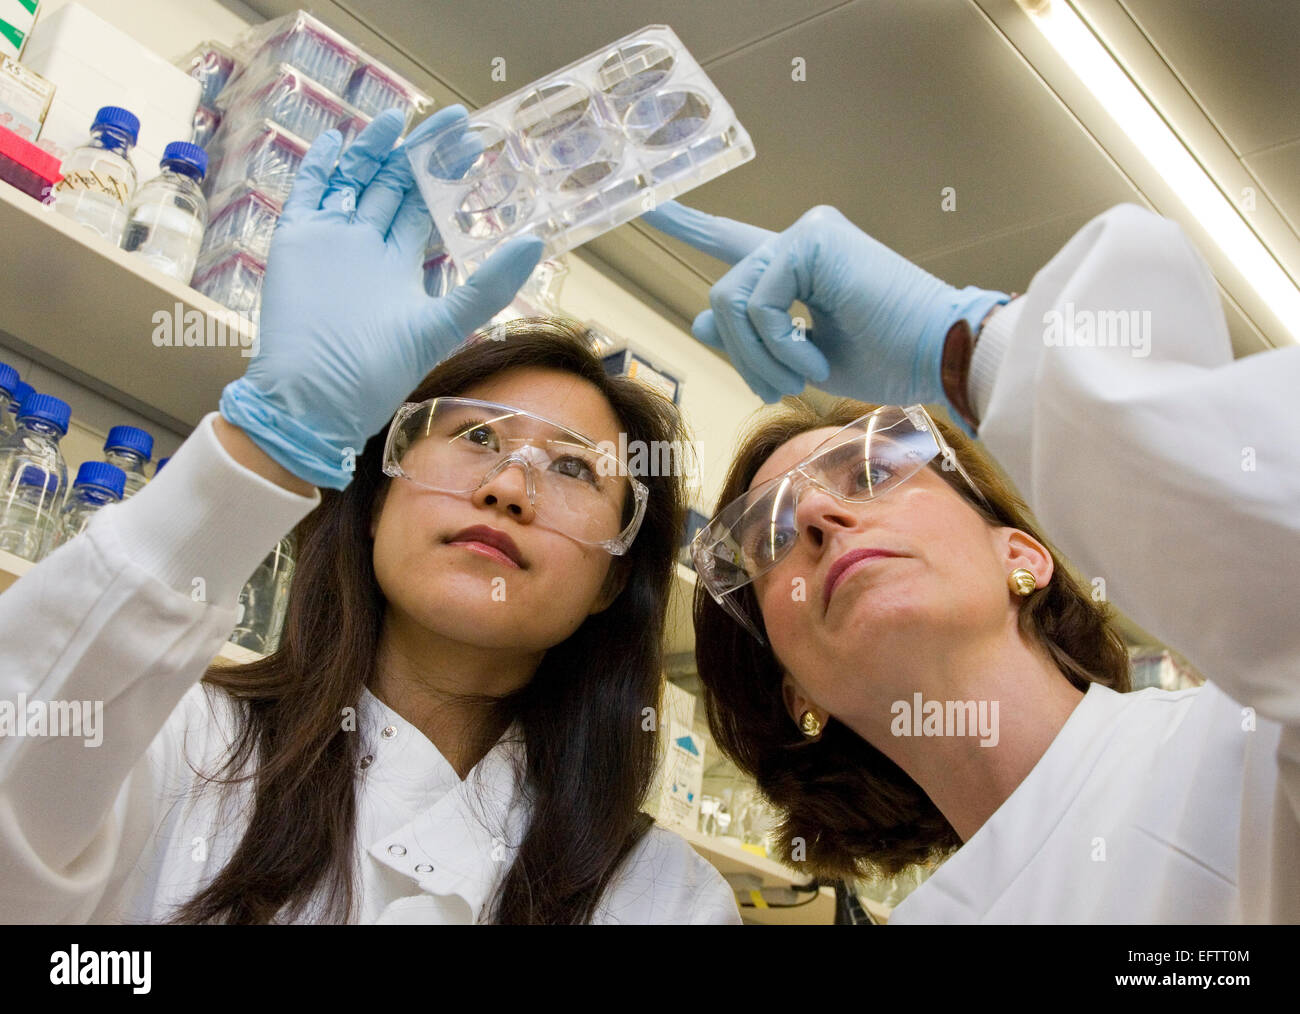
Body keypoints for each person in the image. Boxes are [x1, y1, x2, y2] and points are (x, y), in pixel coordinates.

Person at [0, 110, 740, 925]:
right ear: (381, 495)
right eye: (477, 438)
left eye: (571, 469)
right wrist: (268, 440)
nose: (508, 489)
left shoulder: (664, 898)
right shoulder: (177, 737)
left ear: (614, 578)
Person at [642, 199, 1299, 922]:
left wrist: (969, 346)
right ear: (800, 694)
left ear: (1023, 556)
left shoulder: (1242, 747)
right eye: (770, 538)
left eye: (870, 475)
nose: (821, 517)